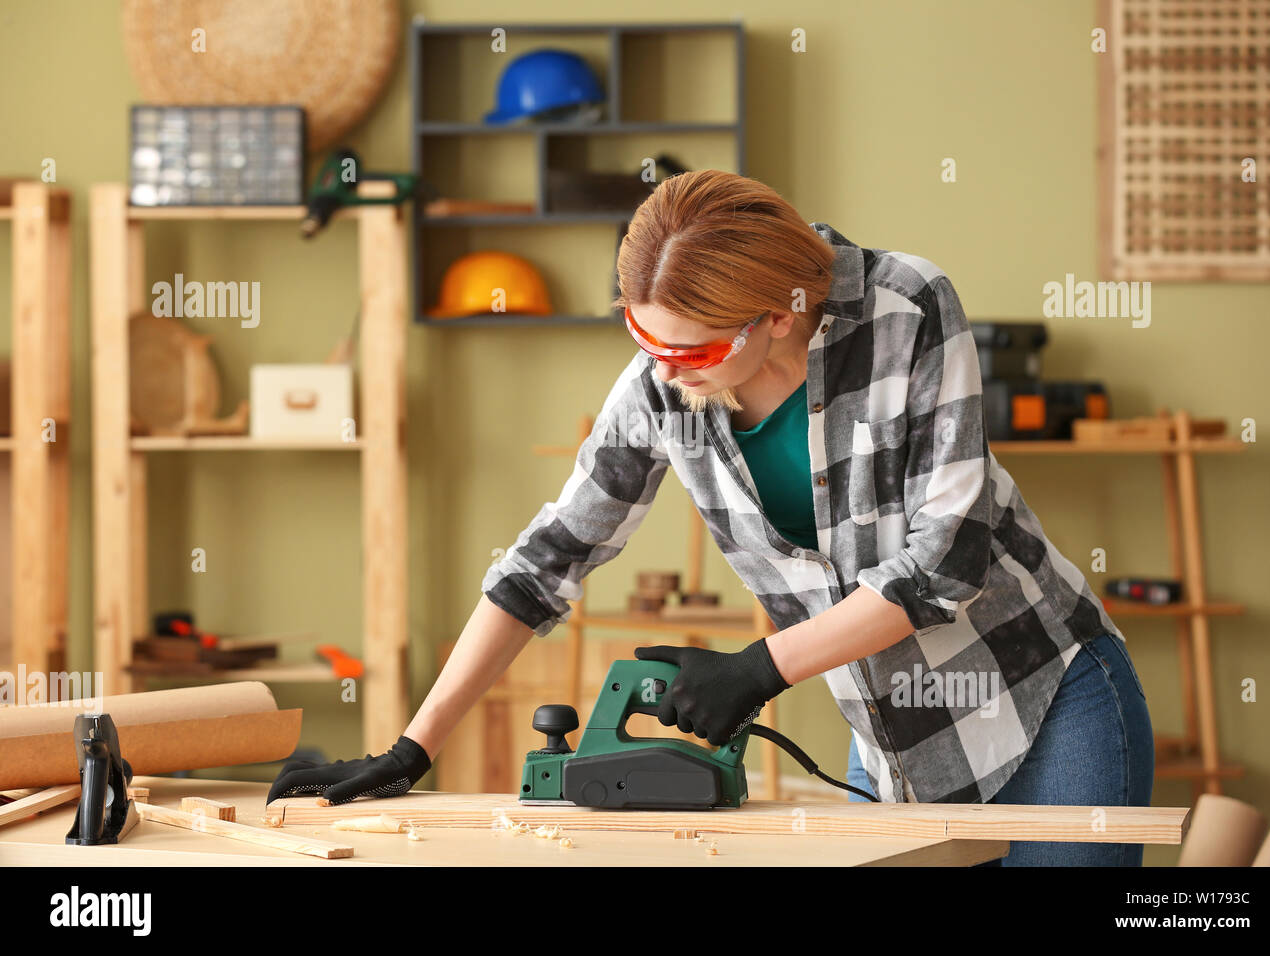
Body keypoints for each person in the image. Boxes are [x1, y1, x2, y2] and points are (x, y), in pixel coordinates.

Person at [268, 170, 1154, 866]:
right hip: (894, 738)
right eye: (642, 339)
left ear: (776, 315)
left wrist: (760, 668)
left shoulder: (907, 309)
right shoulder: (662, 383)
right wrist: (413, 748)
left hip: (1041, 696)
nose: (662, 369)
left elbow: (947, 561)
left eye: (686, 349)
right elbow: (546, 561)